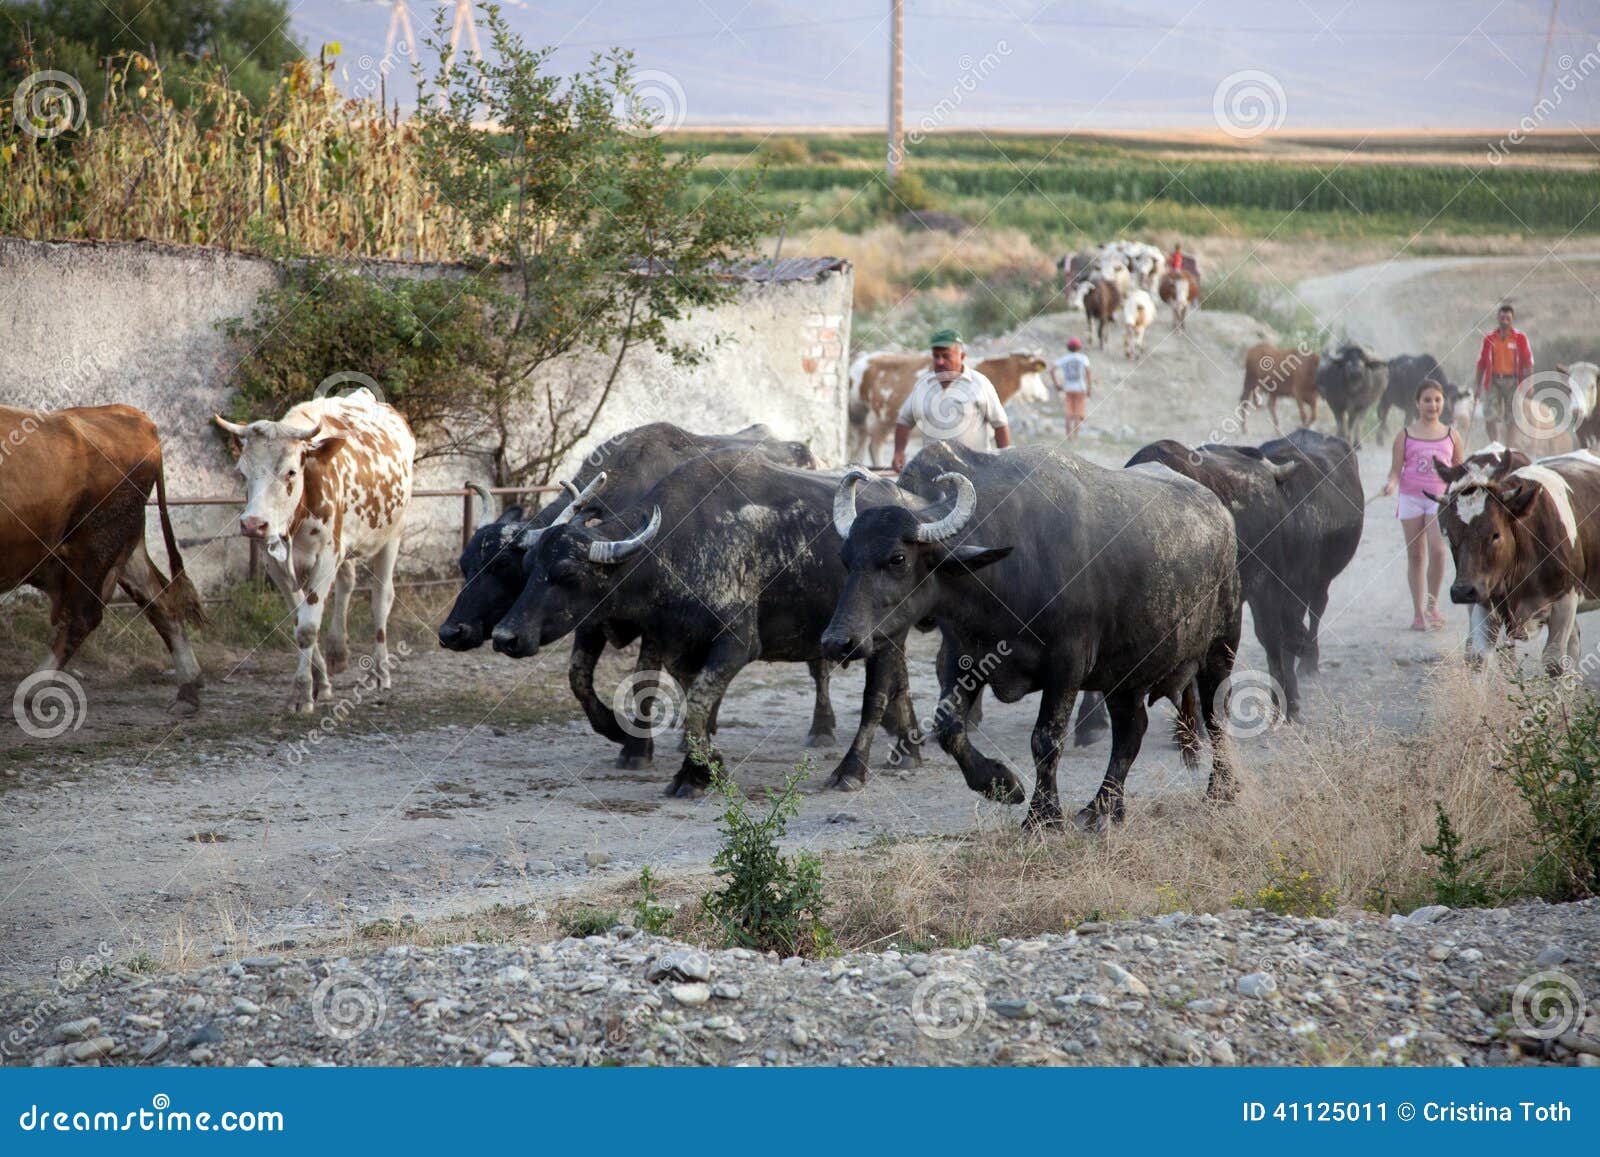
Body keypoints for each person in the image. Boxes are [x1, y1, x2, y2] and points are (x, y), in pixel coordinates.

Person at [1380, 379, 1465, 631]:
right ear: (1417, 403)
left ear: (1443, 403)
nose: (1432, 405)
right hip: (1410, 499)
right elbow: (1395, 471)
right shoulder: (1404, 435)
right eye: (1427, 400)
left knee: (1438, 551)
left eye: (1437, 400)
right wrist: (1390, 485)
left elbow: (1459, 471)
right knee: (1416, 555)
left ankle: (1432, 605)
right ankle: (1418, 614)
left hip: (1439, 501)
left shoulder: (1452, 435)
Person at [890, 328, 1011, 472]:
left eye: (946, 356)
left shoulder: (980, 383)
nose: (940, 362)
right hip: (933, 472)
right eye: (936, 356)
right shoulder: (923, 385)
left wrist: (1004, 462)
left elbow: (1000, 424)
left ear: (962, 356)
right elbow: (904, 421)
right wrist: (899, 452)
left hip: (976, 471)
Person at [1475, 302, 1533, 443]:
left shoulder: (1520, 338)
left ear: (1512, 319)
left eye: (1508, 318)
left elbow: (1527, 362)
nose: (1505, 321)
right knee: (1489, 415)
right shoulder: (1490, 338)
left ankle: (1509, 447)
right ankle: (1494, 444)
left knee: (1512, 416)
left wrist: (1529, 383)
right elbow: (1481, 363)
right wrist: (1477, 386)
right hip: (1494, 380)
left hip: (1513, 381)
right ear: (1498, 318)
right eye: (1502, 317)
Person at [1053, 337, 1092, 439]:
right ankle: (1076, 435)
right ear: (1079, 347)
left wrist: (1056, 384)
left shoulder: (1064, 359)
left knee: (1068, 412)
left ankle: (1068, 436)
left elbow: (1052, 370)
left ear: (1068, 347)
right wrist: (1089, 388)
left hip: (1068, 387)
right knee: (1078, 413)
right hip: (1080, 388)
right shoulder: (1083, 358)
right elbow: (1088, 372)